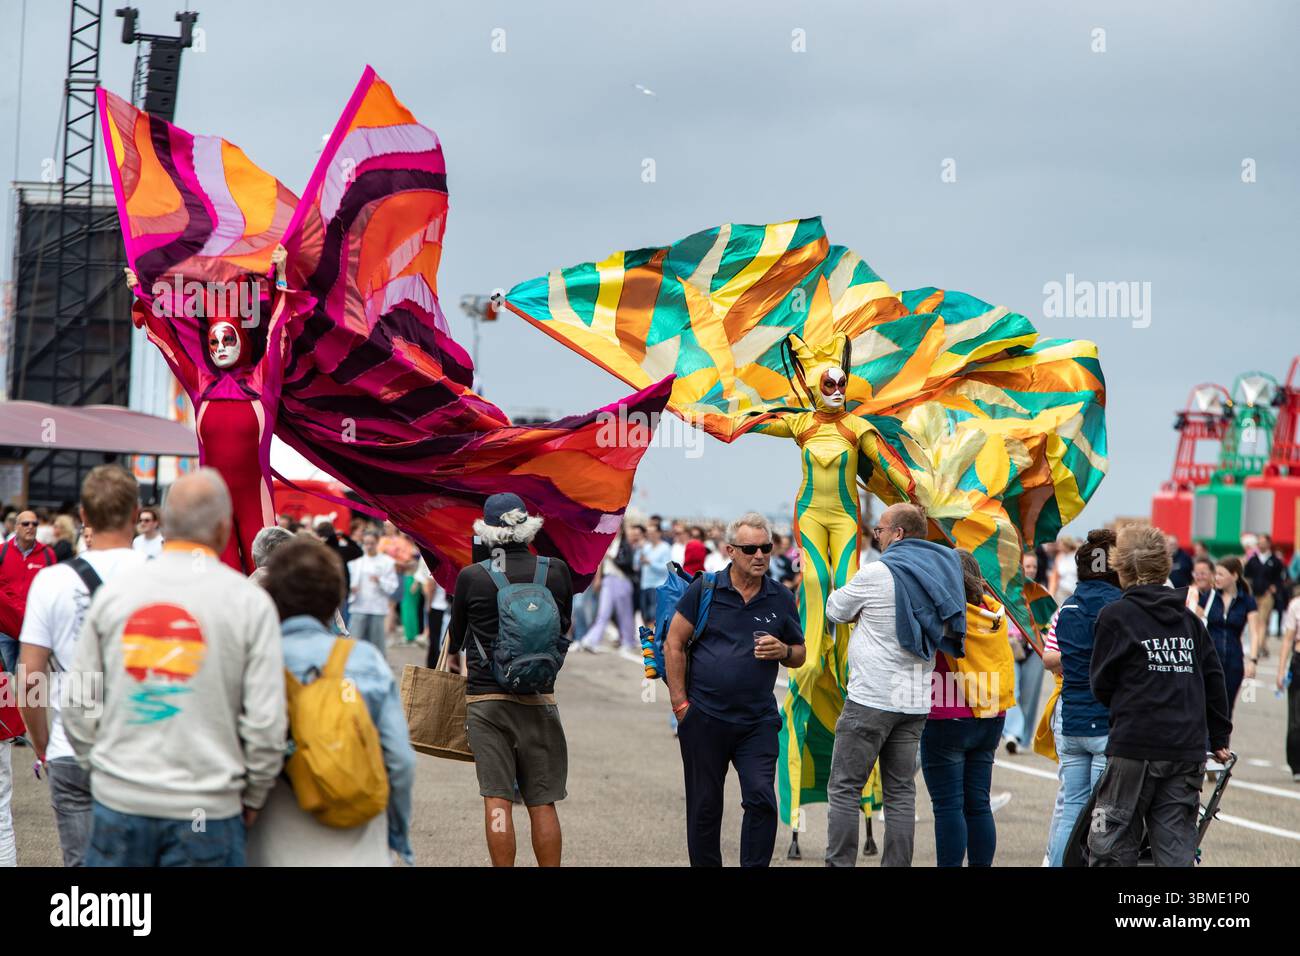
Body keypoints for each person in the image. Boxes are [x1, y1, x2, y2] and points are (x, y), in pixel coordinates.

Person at [62, 468, 287, 867]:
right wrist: (252, 794)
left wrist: (103, 770)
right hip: (210, 810)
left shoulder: (115, 595)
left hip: (121, 803)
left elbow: (79, 703)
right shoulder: (249, 602)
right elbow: (266, 722)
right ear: (223, 529)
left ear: (163, 524)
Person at [249, 537, 415, 865]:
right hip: (357, 842)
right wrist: (397, 836)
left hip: (272, 843)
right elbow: (400, 760)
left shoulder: (252, 658)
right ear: (335, 599)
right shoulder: (364, 660)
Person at [823, 502, 965, 867]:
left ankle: (839, 864)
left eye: (881, 530)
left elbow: (835, 609)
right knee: (901, 793)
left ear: (898, 534)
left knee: (844, 788)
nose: (878, 536)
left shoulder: (878, 572)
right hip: (915, 700)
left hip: (871, 697)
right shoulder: (942, 571)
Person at [17, 465, 146, 867]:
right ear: (135, 513)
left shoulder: (51, 581)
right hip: (140, 747)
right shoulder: (159, 578)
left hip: (70, 747)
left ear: (84, 517)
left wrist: (43, 746)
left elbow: (29, 681)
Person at [1087, 524, 1232, 867]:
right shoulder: (1188, 621)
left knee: (1111, 841)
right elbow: (1213, 678)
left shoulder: (1115, 616)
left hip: (1134, 746)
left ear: (1122, 569)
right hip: (1185, 747)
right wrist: (1219, 734)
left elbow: (1101, 683)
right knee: (1176, 846)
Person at [665, 512, 804, 867]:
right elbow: (674, 644)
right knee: (705, 807)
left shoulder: (781, 598)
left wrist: (785, 651)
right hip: (705, 719)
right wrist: (681, 706)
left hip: (757, 722)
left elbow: (799, 653)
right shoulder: (705, 589)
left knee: (761, 799)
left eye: (765, 548)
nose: (759, 555)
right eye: (749, 548)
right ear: (730, 550)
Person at [448, 493, 573, 866]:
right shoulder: (556, 571)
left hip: (487, 700)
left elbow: (456, 640)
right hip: (539, 697)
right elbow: (562, 626)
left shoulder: (472, 577)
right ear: (528, 527)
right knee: (542, 800)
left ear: (486, 532)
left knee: (497, 799)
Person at [920, 549, 1016, 867]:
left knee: (948, 806)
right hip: (990, 714)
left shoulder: (944, 612)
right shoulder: (993, 612)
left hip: (947, 714)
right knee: (978, 804)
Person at [1041, 529, 1122, 867]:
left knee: (1071, 805)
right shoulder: (1121, 608)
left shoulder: (1067, 608)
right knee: (1102, 810)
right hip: (1105, 718)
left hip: (1071, 717)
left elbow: (1051, 658)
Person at [1201, 556, 1262, 718]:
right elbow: (1194, 623)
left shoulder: (1247, 601)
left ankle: (1222, 744)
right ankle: (1205, 743)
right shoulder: (1209, 597)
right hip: (1209, 660)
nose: (1216, 578)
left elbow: (1255, 632)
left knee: (1225, 712)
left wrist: (1253, 660)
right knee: (1205, 708)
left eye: (1221, 574)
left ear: (1234, 576)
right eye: (1216, 574)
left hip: (1233, 662)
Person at [0, 510, 56, 675]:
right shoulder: (2, 551)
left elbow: (52, 589)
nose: (30, 527)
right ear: (16, 527)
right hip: (5, 628)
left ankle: (23, 701)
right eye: (25, 524)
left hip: (34, 627)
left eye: (34, 524)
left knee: (30, 679)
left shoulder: (47, 554)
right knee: (5, 677)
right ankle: (7, 702)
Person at [1003, 550, 1046, 754]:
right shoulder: (1006, 590)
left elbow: (1048, 622)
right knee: (1014, 691)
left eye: (1034, 567)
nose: (1031, 570)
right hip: (1010, 647)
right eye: (1027, 566)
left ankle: (1024, 738)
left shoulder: (1040, 593)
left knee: (1029, 696)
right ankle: (1012, 733)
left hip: (1034, 650)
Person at [577, 530, 637, 660]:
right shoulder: (606, 543)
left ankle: (628, 641)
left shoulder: (625, 544)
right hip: (608, 580)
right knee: (603, 613)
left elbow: (628, 563)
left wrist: (611, 557)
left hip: (622, 580)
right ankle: (591, 640)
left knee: (624, 614)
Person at [347, 530, 399, 657]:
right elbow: (349, 583)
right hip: (358, 607)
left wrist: (380, 580)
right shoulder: (356, 562)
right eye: (366, 543)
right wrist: (352, 588)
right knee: (354, 645)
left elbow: (393, 587)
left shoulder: (387, 562)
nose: (369, 546)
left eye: (372, 543)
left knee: (377, 647)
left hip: (377, 609)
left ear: (377, 543)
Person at [1245, 534, 1285, 640]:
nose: (1261, 544)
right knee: (1254, 620)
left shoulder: (1275, 561)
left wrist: (1274, 588)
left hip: (1267, 595)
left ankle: (1257, 647)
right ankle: (1261, 644)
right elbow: (1247, 575)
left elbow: (1280, 578)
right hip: (1254, 595)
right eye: (1259, 542)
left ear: (1268, 543)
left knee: (1263, 620)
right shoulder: (1253, 560)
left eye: (1263, 542)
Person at [1279, 594, 1300, 781]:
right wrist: (1281, 671)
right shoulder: (1296, 604)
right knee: (1296, 719)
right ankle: (1296, 765)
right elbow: (1287, 639)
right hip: (1298, 662)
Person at [638, 522, 673, 626]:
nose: (650, 535)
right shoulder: (646, 547)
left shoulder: (665, 547)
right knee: (644, 615)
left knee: (653, 616)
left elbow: (667, 567)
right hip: (645, 585)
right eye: (648, 533)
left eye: (652, 532)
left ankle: (652, 641)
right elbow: (638, 564)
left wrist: (650, 563)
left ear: (659, 533)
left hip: (658, 586)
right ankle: (647, 640)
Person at [1048, 535, 1079, 604]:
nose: (1058, 546)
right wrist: (1051, 593)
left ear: (1066, 544)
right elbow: (1055, 576)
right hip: (1062, 590)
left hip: (1074, 590)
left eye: (1060, 544)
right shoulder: (1059, 557)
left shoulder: (1077, 556)